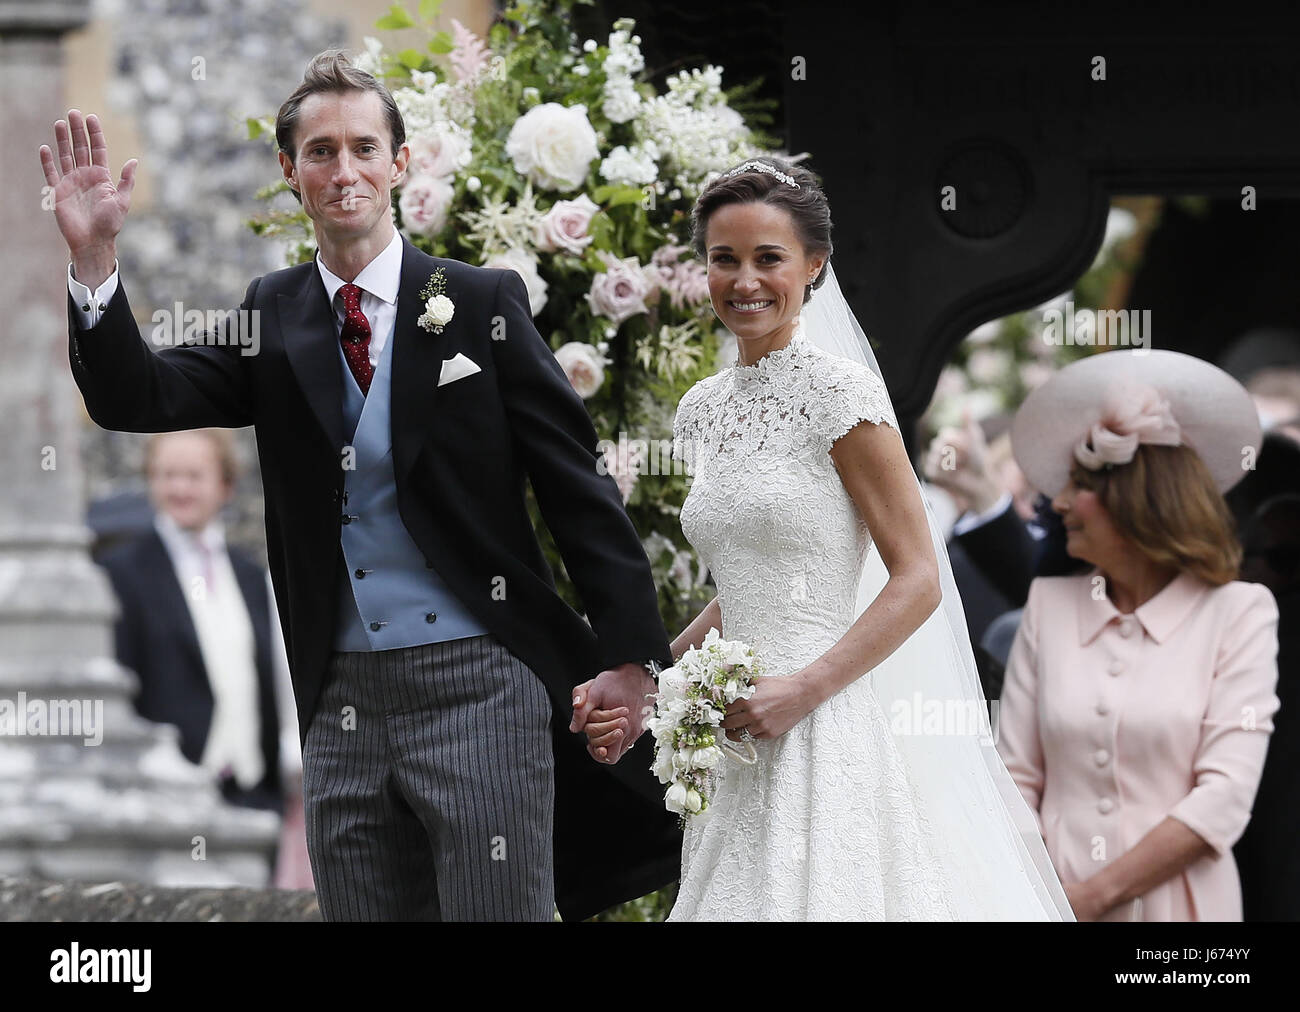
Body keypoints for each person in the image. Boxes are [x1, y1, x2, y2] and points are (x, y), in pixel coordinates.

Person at [43, 49, 680, 921]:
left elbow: (579, 492)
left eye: (363, 149)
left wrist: (631, 658)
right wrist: (95, 261)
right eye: (320, 152)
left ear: (398, 162)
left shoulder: (483, 302)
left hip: (482, 686)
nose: (344, 171)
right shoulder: (274, 311)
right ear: (289, 171)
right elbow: (137, 395)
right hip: (339, 700)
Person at [579, 158, 1073, 920]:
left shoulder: (839, 394)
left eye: (768, 258)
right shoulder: (703, 409)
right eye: (724, 259)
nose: (744, 280)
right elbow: (745, 583)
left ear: (813, 266)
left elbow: (917, 578)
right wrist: (653, 680)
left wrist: (803, 688)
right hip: (734, 735)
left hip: (826, 720)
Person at [998, 351, 1281, 920]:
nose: (1056, 504)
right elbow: (1014, 779)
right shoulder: (1049, 606)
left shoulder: (1240, 612)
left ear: (1137, 499)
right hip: (1045, 901)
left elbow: (1225, 795)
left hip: (1181, 910)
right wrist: (1040, 898)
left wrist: (1091, 900)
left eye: (1076, 486)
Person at [97, 430, 287, 816]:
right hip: (164, 799)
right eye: (167, 475)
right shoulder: (121, 572)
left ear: (226, 486)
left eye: (194, 476)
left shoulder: (249, 574)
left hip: (253, 795)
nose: (179, 488)